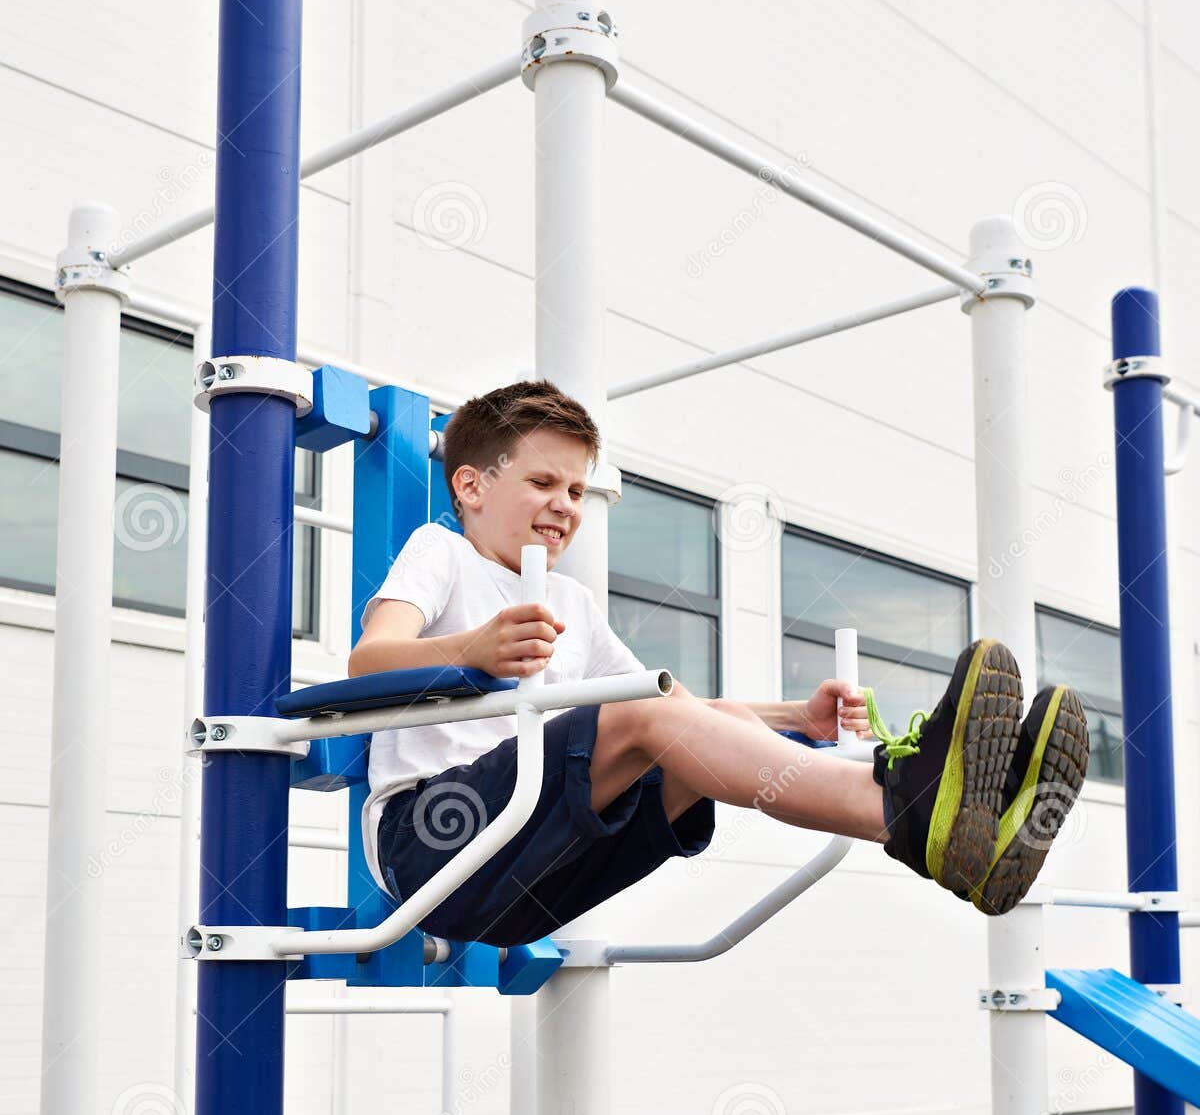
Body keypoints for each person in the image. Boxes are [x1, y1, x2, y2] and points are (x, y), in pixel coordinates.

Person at [351, 381, 1089, 948]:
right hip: (434, 850)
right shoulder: (441, 551)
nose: (565, 505)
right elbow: (368, 663)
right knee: (646, 720)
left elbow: (678, 712)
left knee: (695, 725)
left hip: (535, 876)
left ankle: (967, 839)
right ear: (471, 487)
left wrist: (795, 718)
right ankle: (904, 801)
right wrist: (472, 649)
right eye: (543, 484)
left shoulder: (571, 597)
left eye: (576, 490)